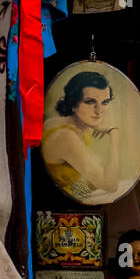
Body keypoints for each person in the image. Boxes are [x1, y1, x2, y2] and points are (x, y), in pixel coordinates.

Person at [42, 70, 121, 201]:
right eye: (90, 102)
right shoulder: (66, 137)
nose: (99, 111)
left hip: (71, 198)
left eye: (105, 102)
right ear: (73, 103)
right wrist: (114, 135)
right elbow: (111, 185)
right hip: (61, 204)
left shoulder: (73, 125)